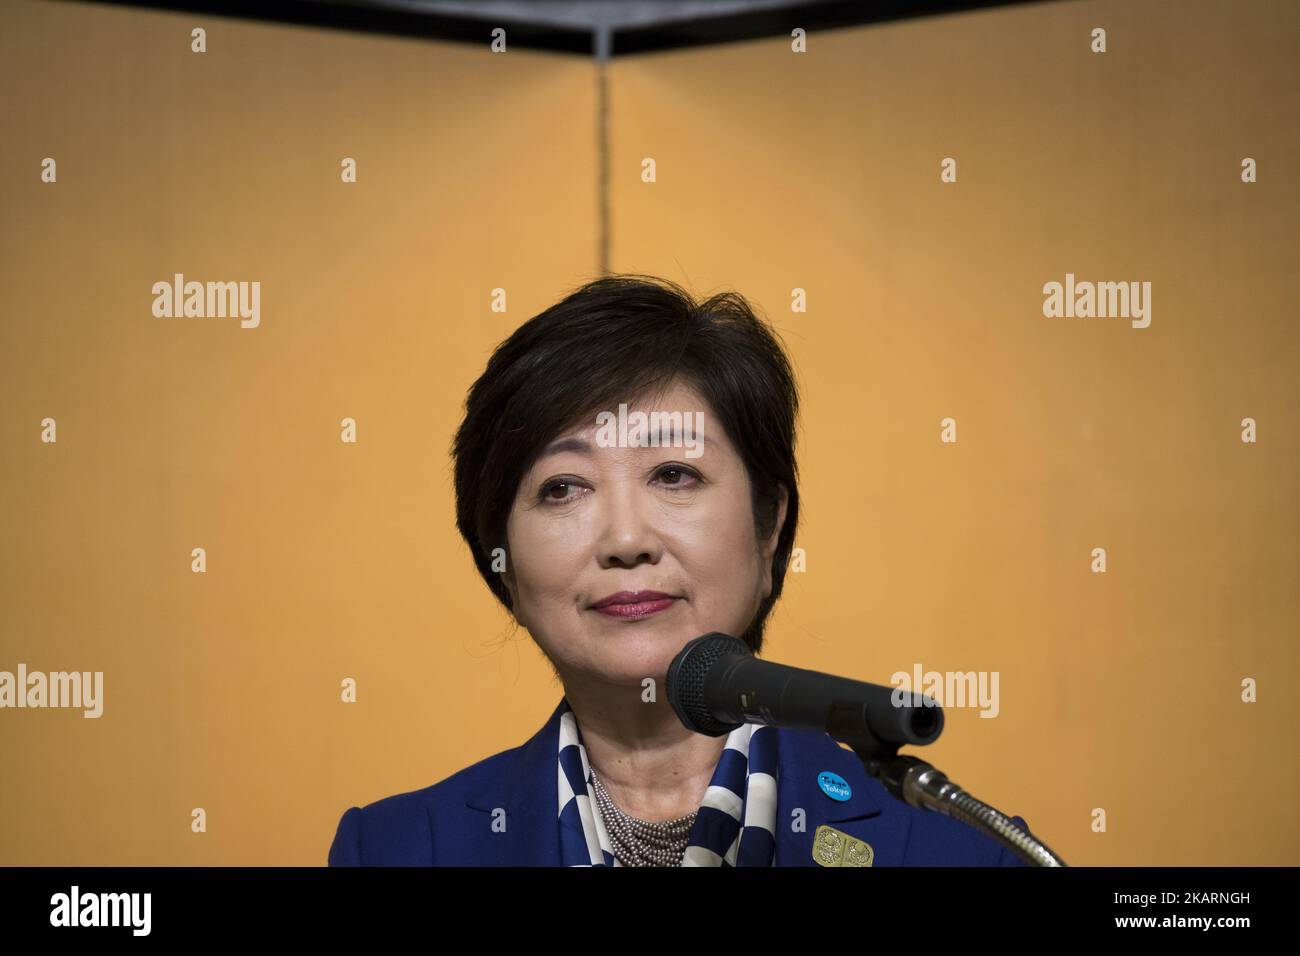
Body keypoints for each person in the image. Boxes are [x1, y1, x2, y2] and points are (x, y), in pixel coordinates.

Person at [328, 274, 1028, 866]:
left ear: (768, 525)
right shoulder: (397, 849)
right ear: (501, 561)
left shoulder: (955, 849)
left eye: (674, 473)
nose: (626, 538)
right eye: (563, 487)